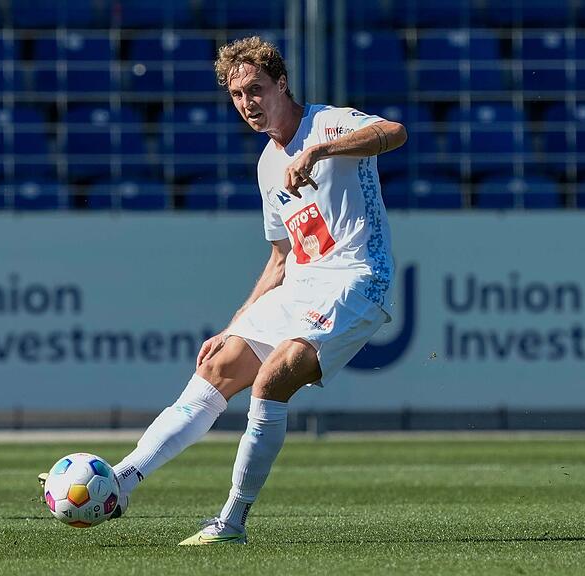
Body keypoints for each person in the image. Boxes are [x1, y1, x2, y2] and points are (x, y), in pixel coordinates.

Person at [41, 35, 407, 544]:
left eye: (256, 90)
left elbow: (394, 132)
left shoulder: (327, 123)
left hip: (357, 279)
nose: (247, 104)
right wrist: (236, 324)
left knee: (272, 379)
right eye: (237, 96)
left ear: (281, 83)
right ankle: (122, 481)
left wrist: (320, 151)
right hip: (301, 285)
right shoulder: (266, 166)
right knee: (216, 366)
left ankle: (231, 521)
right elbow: (282, 258)